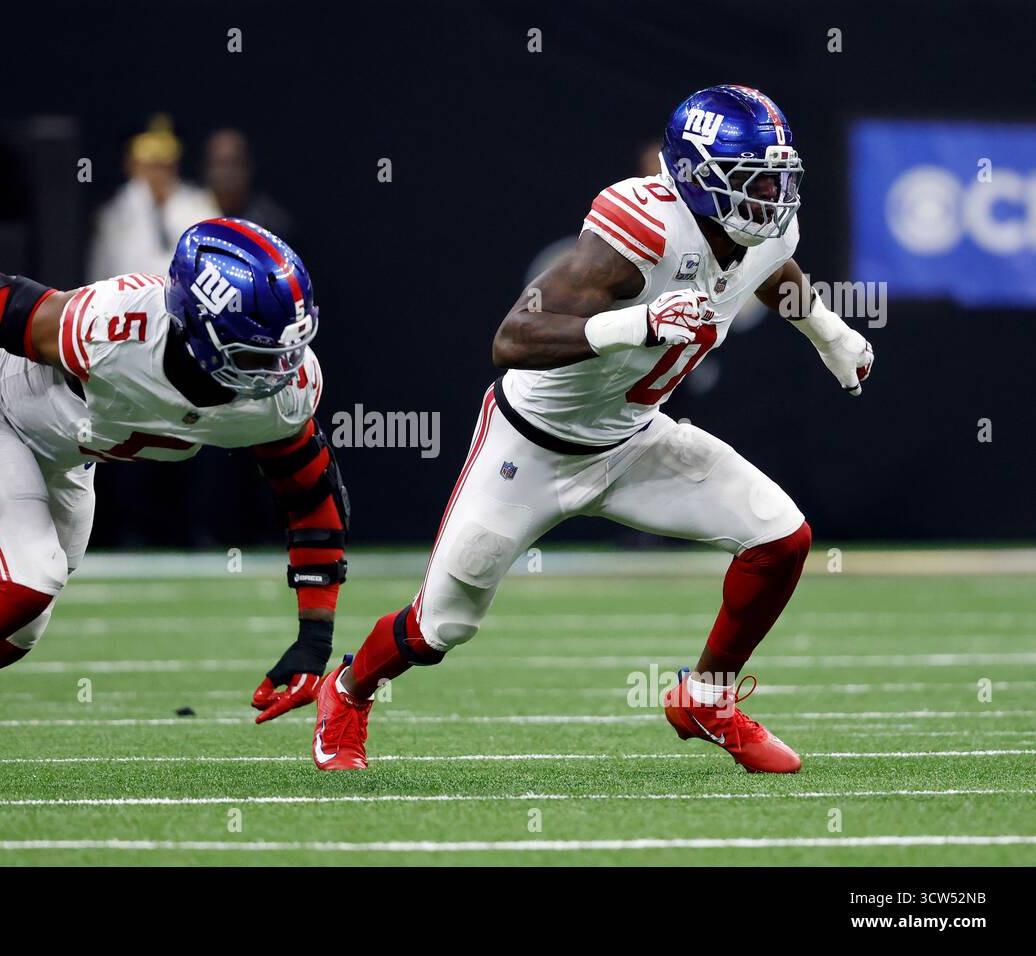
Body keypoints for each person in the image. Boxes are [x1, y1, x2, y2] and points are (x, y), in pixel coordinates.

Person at [311, 85, 874, 774]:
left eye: (776, 176)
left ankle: (706, 698)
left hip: (634, 438)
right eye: (752, 178)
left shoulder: (763, 227)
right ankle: (347, 690)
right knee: (439, 627)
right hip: (531, 444)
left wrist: (828, 333)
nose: (771, 194)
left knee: (781, 537)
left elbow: (767, 266)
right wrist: (636, 323)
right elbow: (513, 338)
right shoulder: (642, 229)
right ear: (696, 175)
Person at [0, 219, 348, 794]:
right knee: (29, 579)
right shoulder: (114, 329)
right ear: (198, 326)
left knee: (21, 628)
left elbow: (310, 494)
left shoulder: (284, 390)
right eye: (256, 354)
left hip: (68, 452)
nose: (279, 372)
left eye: (287, 351)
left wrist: (313, 638)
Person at [87, 115, 219, 280]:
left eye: (163, 166)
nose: (157, 175)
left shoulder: (200, 206)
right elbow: (101, 274)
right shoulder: (114, 214)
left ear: (174, 166)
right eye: (149, 166)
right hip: (129, 302)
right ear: (131, 166)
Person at [203, 128, 294, 240]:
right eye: (219, 163)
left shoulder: (271, 224)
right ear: (205, 168)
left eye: (233, 163)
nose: (226, 173)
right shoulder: (187, 212)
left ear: (248, 167)